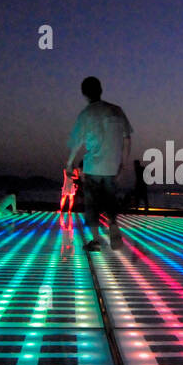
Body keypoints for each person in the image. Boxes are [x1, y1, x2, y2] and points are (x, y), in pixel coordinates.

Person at [66, 75, 132, 251]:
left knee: (92, 204)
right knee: (110, 201)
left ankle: (95, 241)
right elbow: (127, 139)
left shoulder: (86, 114)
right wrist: (123, 165)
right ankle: (113, 223)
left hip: (93, 166)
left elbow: (77, 142)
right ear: (101, 90)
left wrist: (70, 162)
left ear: (84, 94)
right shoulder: (117, 110)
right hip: (111, 166)